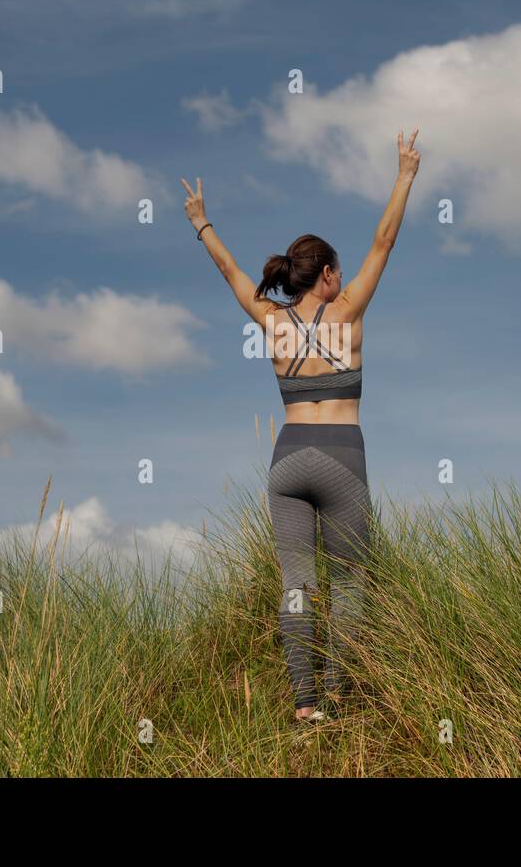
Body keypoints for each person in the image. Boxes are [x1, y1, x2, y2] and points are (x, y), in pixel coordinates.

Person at [180, 128, 420, 722]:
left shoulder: (271, 319)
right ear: (331, 274)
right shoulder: (349, 310)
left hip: (287, 460)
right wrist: (406, 175)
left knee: (297, 583)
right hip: (341, 457)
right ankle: (337, 697)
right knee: (350, 584)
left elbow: (231, 271)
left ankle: (304, 704)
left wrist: (201, 222)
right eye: (338, 270)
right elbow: (385, 240)